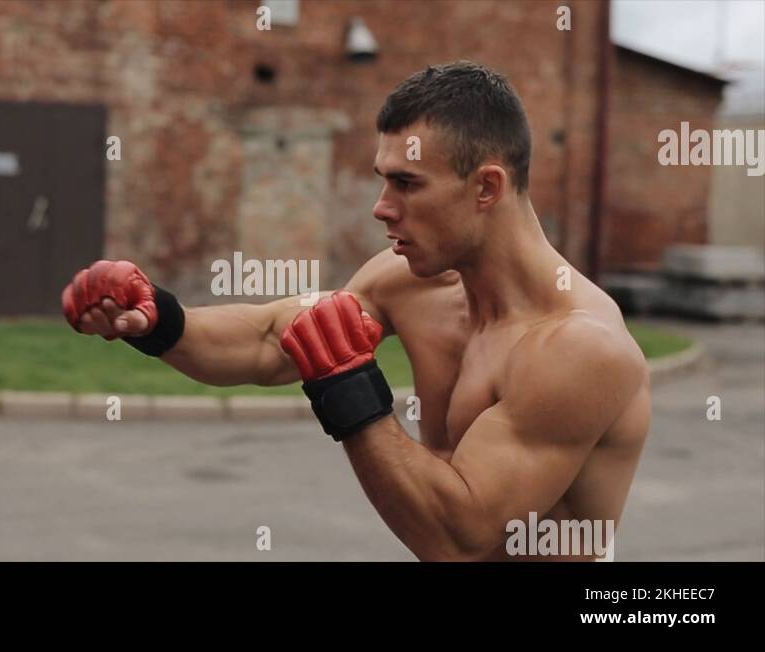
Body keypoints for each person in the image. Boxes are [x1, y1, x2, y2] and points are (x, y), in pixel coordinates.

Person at [61, 61, 651, 561]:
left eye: (407, 184)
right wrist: (160, 319)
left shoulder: (578, 348)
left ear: (487, 188)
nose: (381, 208)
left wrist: (351, 394)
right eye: (382, 181)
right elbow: (272, 342)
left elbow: (460, 539)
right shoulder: (410, 282)